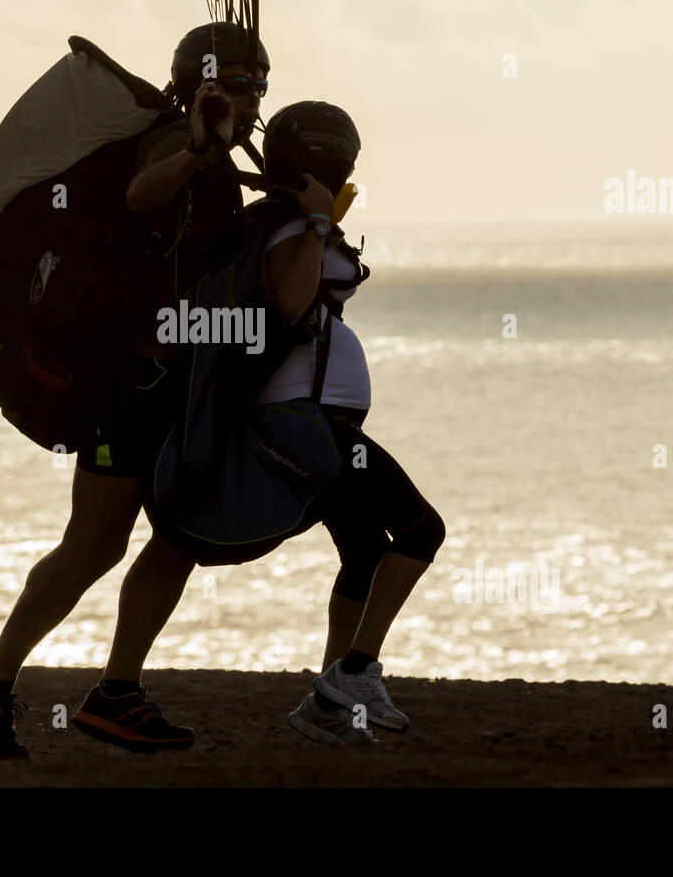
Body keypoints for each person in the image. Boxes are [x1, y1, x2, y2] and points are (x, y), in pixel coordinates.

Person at [76, 102, 446, 750]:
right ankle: (351, 675)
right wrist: (317, 220)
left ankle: (333, 697)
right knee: (420, 528)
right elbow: (289, 300)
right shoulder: (284, 223)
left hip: (313, 417)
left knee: (362, 547)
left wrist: (321, 220)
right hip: (302, 423)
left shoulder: (278, 218)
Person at [0, 23, 269, 757]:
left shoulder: (215, 157)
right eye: (238, 84)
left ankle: (117, 691)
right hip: (129, 386)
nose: (250, 100)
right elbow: (137, 195)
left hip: (175, 383)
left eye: (258, 86)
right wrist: (196, 150)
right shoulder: (170, 143)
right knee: (94, 545)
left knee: (182, 533)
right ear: (200, 85)